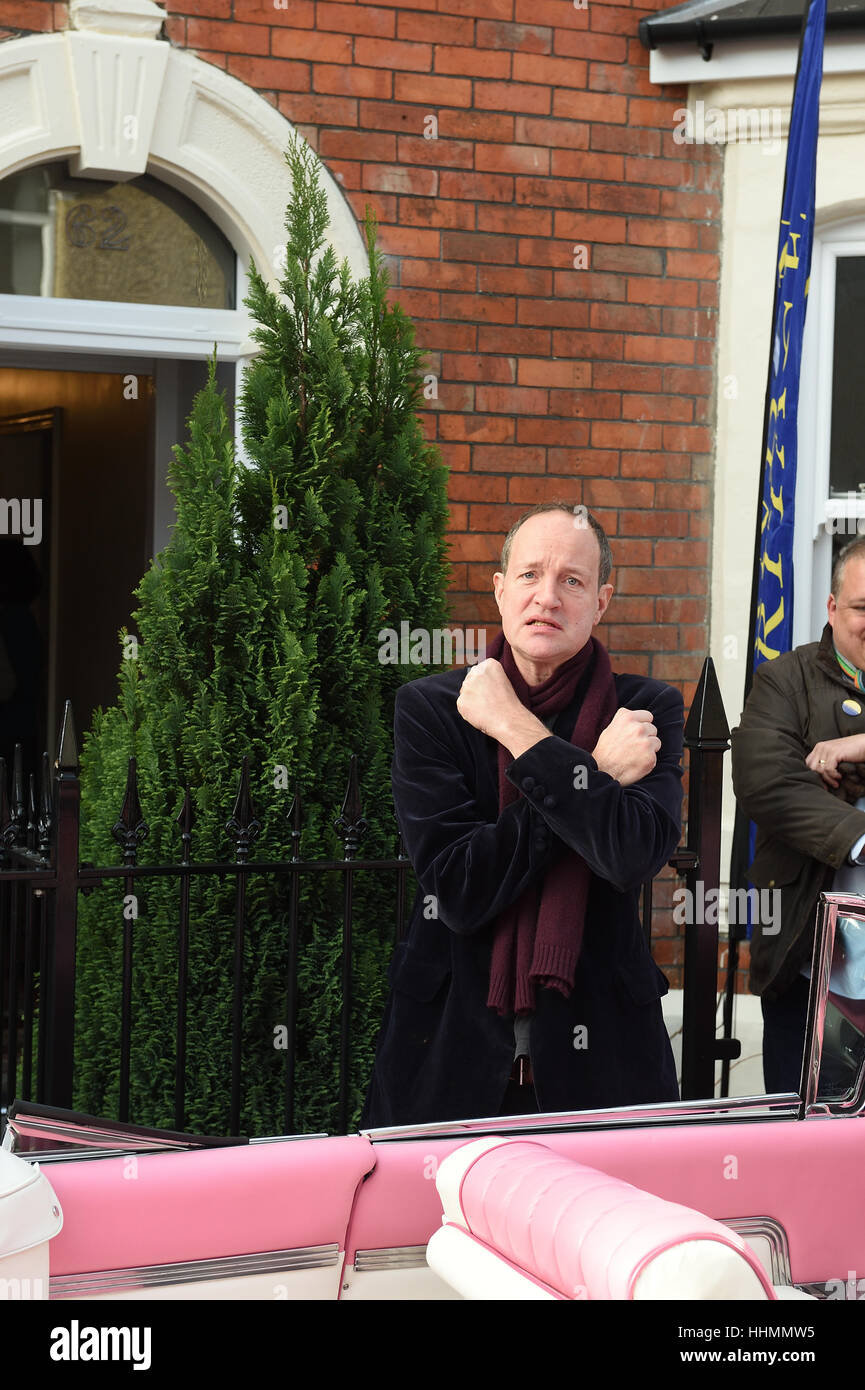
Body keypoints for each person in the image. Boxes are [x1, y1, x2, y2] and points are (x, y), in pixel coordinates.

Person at [360, 502, 684, 1127]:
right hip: (449, 1054)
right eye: (530, 574)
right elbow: (460, 886)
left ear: (601, 601)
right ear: (501, 590)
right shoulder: (433, 709)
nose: (548, 597)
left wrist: (514, 726)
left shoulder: (645, 711)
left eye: (572, 580)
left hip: (603, 1060)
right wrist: (592, 775)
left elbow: (630, 855)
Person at [731, 534, 865, 1094]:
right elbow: (765, 781)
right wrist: (859, 836)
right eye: (863, 608)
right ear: (832, 608)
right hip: (811, 962)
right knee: (810, 1130)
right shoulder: (785, 679)